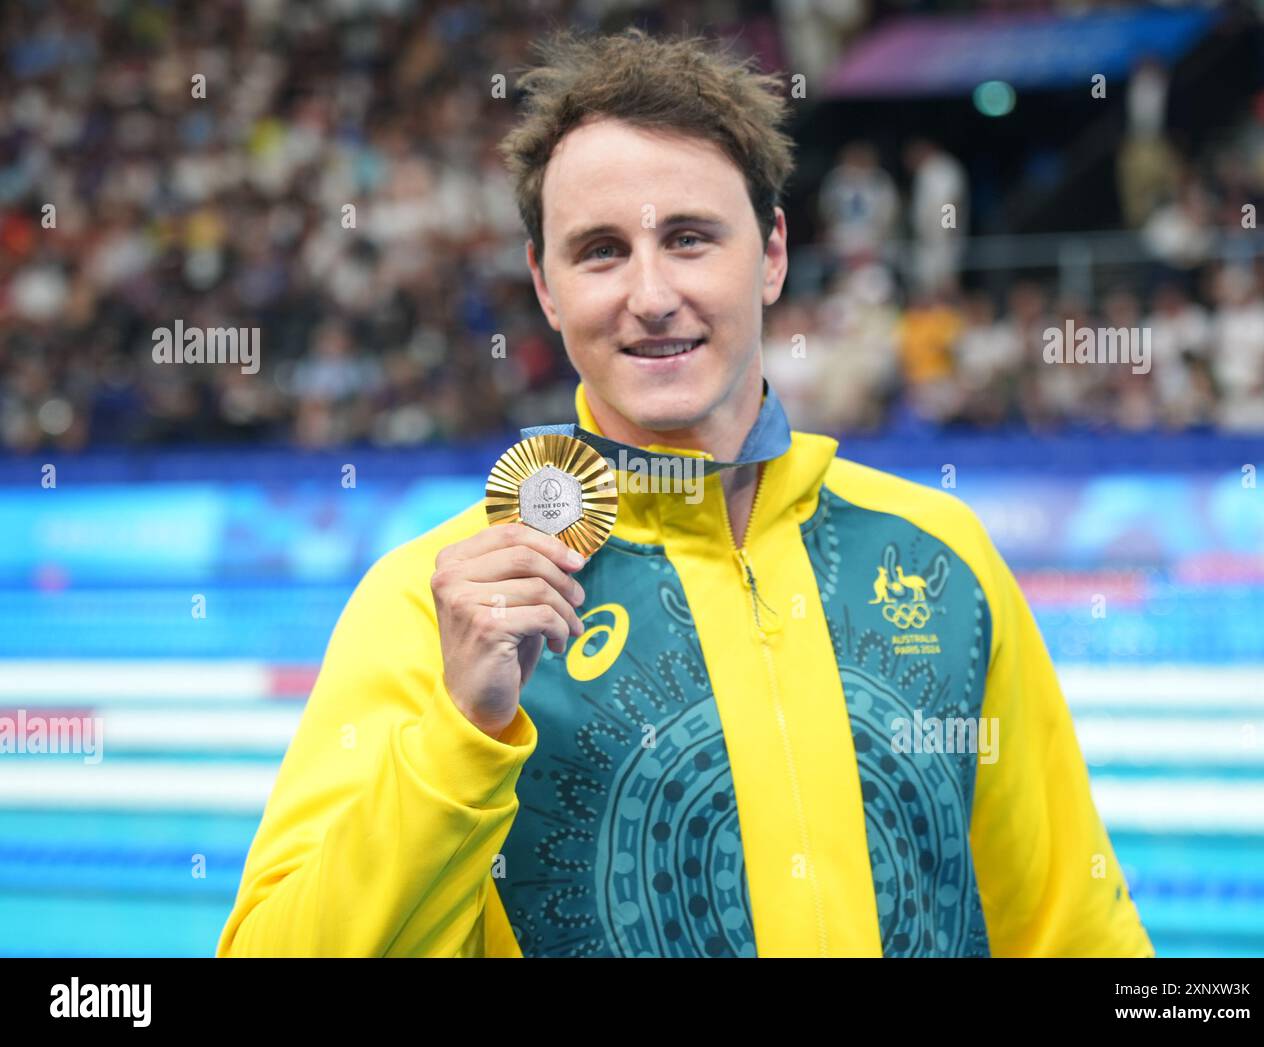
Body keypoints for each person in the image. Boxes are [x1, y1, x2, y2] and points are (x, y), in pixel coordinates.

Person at [216, 27, 1154, 959]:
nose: (652, 293)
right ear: (545, 286)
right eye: (600, 251)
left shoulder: (940, 555)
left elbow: (1075, 930)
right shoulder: (438, 602)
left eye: (690, 238)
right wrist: (459, 733)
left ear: (774, 252)